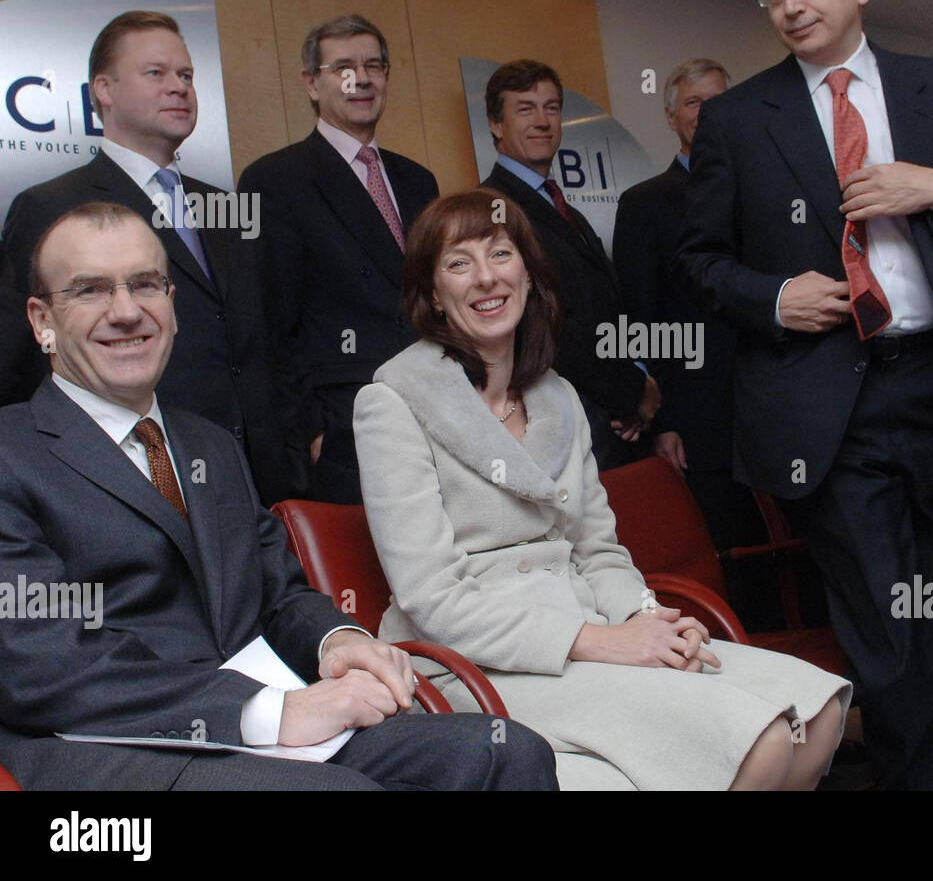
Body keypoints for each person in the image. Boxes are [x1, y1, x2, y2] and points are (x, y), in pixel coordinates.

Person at [0, 201, 556, 791]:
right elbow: (41, 661)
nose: (126, 311)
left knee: (507, 754)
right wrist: (269, 712)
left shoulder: (207, 443)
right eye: (90, 290)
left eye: (145, 284)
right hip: (114, 745)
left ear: (172, 303)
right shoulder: (11, 453)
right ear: (43, 322)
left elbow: (277, 592)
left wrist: (338, 640)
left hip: (269, 729)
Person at [676, 0, 933, 789]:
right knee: (887, 632)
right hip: (828, 405)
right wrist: (772, 295)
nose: (791, 5)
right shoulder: (735, 118)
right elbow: (696, 264)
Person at [352, 189, 850, 790]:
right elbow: (432, 598)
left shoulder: (558, 397)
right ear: (433, 294)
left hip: (587, 628)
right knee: (764, 741)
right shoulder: (390, 403)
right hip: (477, 661)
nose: (486, 278)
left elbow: (599, 552)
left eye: (501, 254)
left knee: (819, 713)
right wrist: (604, 643)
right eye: (459, 263)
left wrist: (649, 619)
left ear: (530, 276)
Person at [0, 10, 293, 504]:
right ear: (104, 90)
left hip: (256, 478)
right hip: (123, 479)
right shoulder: (50, 207)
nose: (178, 87)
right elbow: (22, 359)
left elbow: (270, 336)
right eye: (156, 73)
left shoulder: (227, 207)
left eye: (186, 76)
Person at [238, 14, 440, 504]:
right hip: (347, 421)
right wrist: (308, 430)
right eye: (343, 67)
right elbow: (268, 323)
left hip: (437, 406)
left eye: (374, 65)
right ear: (312, 82)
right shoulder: (273, 181)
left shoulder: (419, 180)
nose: (362, 79)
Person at [480, 60, 659, 470]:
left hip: (612, 425)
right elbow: (540, 328)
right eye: (525, 109)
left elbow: (607, 310)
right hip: (566, 426)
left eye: (552, 108)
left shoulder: (569, 214)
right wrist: (631, 392)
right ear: (495, 124)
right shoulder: (492, 209)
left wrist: (638, 379)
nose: (543, 121)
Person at [613, 57, 755, 551]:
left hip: (779, 411)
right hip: (701, 422)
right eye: (694, 102)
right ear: (672, 117)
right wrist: (666, 421)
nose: (707, 112)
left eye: (718, 101)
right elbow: (639, 317)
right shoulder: (645, 204)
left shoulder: (768, 192)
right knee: (731, 552)